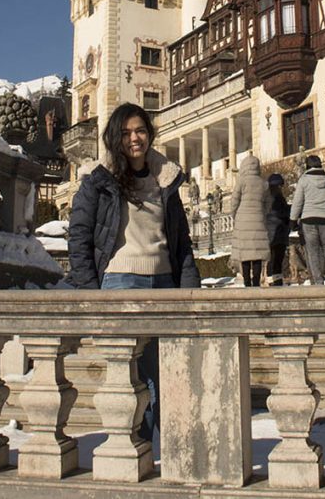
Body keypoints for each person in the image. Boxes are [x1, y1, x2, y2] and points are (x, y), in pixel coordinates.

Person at [68, 103, 200, 439]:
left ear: (150, 133)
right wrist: (90, 293)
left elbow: (181, 241)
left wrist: (191, 291)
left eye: (140, 130)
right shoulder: (98, 181)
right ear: (115, 138)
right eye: (126, 133)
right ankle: (132, 446)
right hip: (121, 281)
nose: (134, 138)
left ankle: (158, 448)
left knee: (165, 371)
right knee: (128, 374)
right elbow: (79, 237)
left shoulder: (166, 179)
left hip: (165, 281)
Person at [290, 154, 325, 285]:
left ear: (308, 166)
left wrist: (293, 220)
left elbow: (297, 202)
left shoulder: (304, 180)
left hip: (308, 219)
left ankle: (318, 282)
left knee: (312, 250)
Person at [230, 154, 271, 286]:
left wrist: (235, 215)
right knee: (257, 254)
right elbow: (268, 203)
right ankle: (256, 282)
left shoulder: (241, 182)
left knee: (244, 254)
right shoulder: (264, 183)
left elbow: (234, 201)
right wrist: (262, 214)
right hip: (258, 219)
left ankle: (247, 282)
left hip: (242, 220)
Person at [265, 173, 290, 285]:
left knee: (271, 259)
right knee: (278, 260)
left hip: (268, 233)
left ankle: (271, 279)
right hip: (279, 232)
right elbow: (283, 214)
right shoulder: (279, 198)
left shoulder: (265, 198)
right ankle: (277, 280)